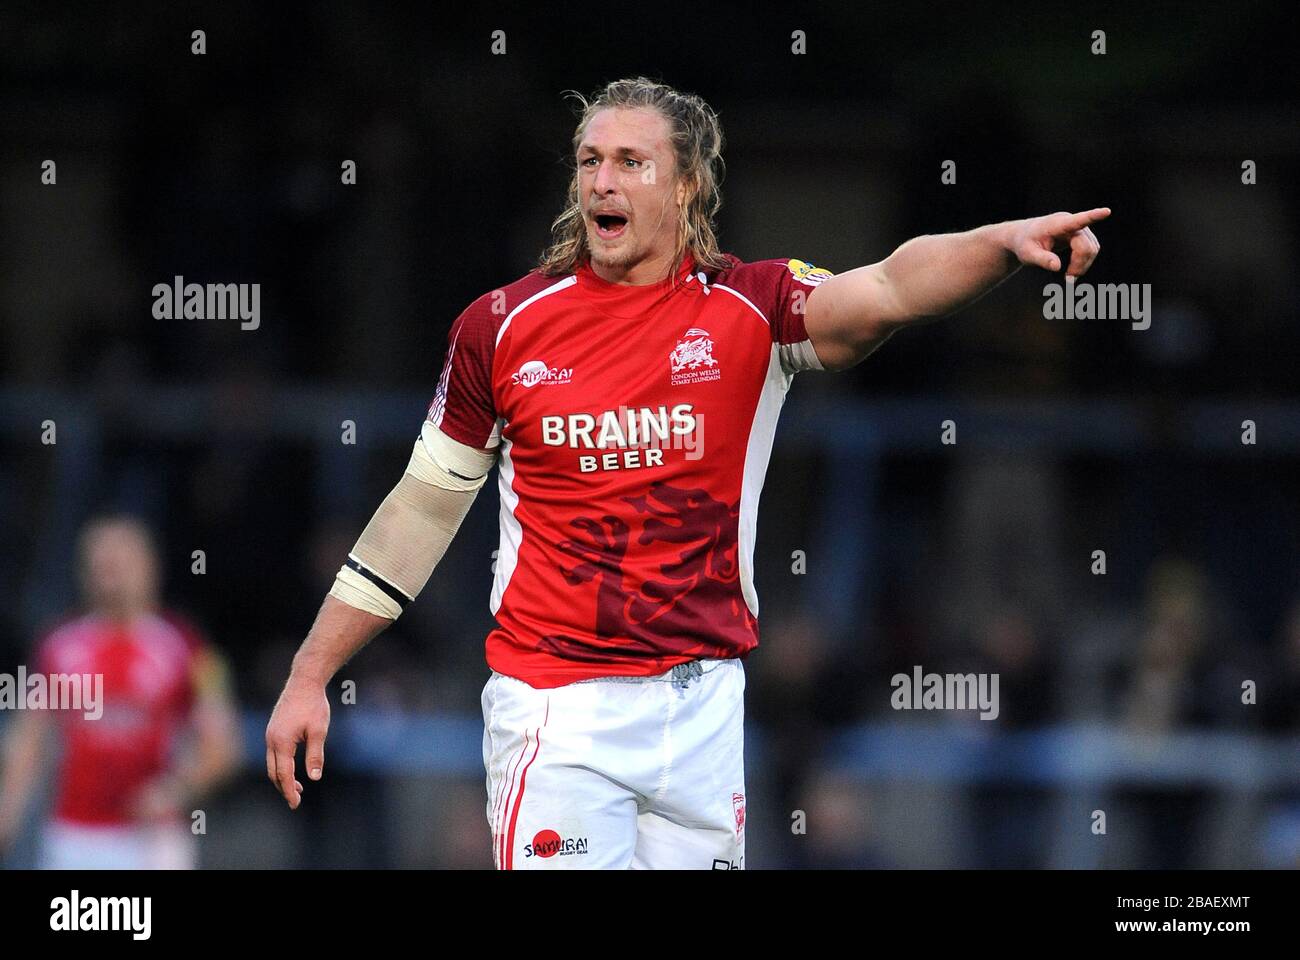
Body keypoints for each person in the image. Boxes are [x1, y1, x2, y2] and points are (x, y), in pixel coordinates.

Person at [265, 76, 1108, 869]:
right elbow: (420, 510)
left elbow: (887, 286)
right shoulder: (501, 327)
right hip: (560, 710)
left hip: (704, 711)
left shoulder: (752, 308)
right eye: (591, 161)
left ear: (686, 187)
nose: (603, 181)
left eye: (632, 162)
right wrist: (311, 674)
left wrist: (999, 244)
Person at [0, 516, 241, 869]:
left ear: (150, 567)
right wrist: (7, 817)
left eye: (120, 563)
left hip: (153, 841)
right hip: (74, 836)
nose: (109, 575)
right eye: (100, 564)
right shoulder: (56, 647)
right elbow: (27, 743)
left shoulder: (190, 648)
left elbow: (223, 746)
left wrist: (175, 789)